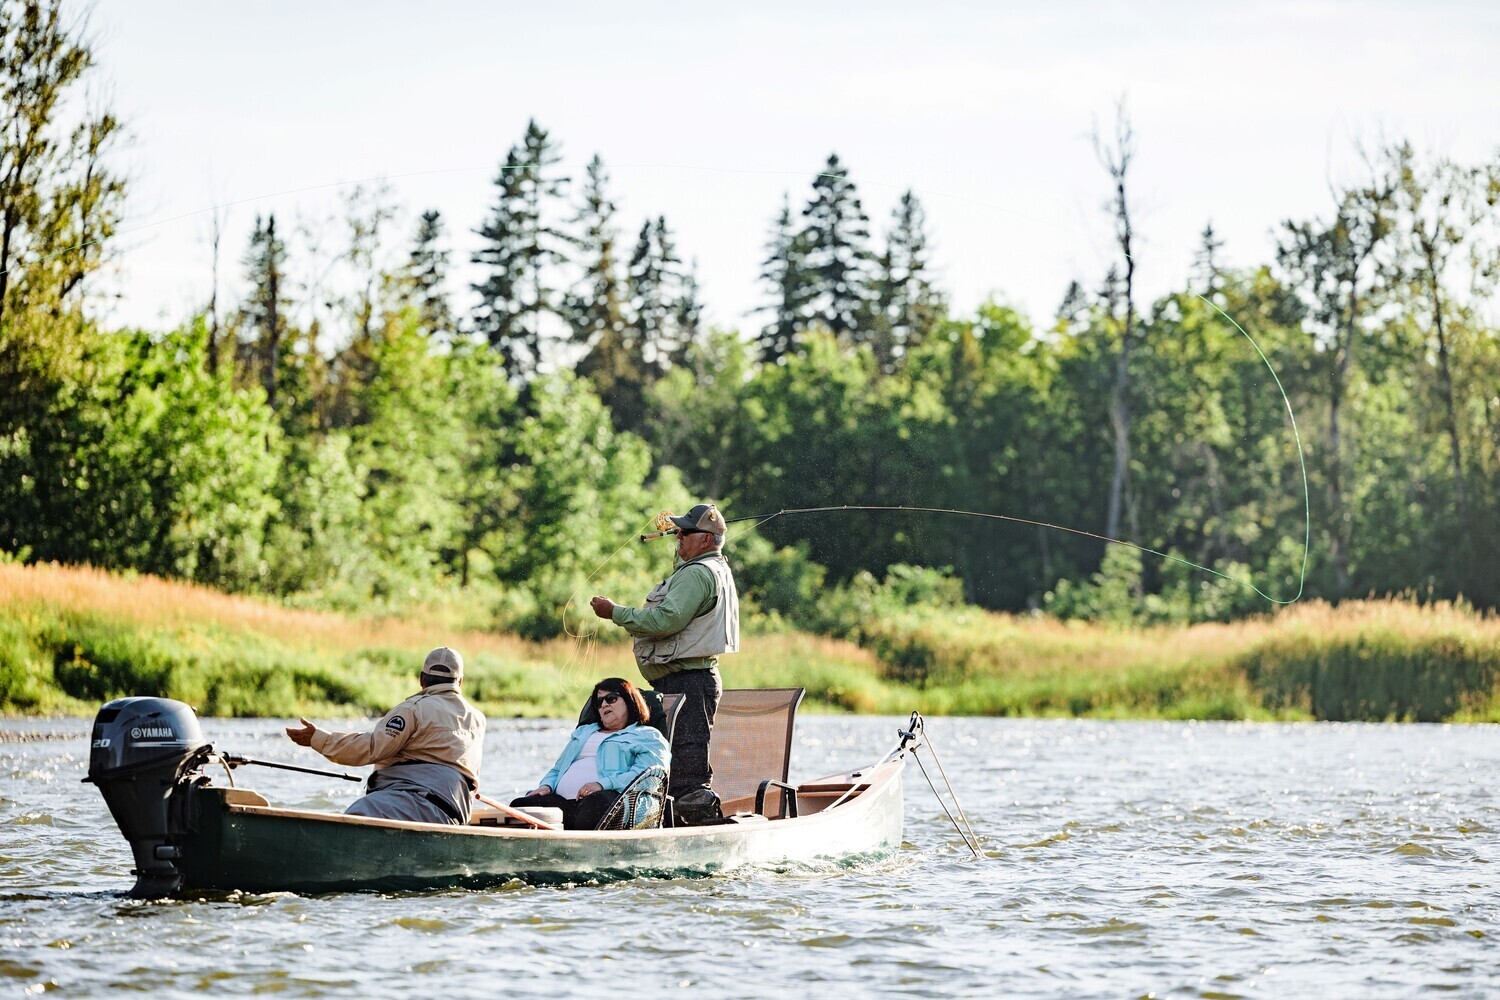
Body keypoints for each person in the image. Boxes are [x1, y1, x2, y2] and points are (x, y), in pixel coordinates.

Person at [590, 502, 738, 825]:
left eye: (686, 532)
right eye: (678, 531)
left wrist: (614, 612)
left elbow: (664, 621)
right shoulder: (711, 568)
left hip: (689, 683)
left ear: (706, 540)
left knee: (687, 770)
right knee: (676, 764)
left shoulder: (698, 574)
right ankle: (674, 824)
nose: (678, 537)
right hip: (687, 681)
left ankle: (693, 832)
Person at [284, 646, 486, 825]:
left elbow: (372, 747)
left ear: (422, 679)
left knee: (356, 817)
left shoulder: (413, 710)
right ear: (459, 681)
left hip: (416, 801)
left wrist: (318, 739)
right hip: (456, 813)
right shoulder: (478, 719)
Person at [510, 677, 670, 831]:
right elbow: (558, 769)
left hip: (614, 804)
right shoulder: (583, 733)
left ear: (630, 701)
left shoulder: (648, 736)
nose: (604, 704)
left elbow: (647, 778)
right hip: (564, 804)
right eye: (599, 702)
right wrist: (546, 786)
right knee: (520, 806)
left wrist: (602, 784)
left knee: (596, 803)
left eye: (611, 698)